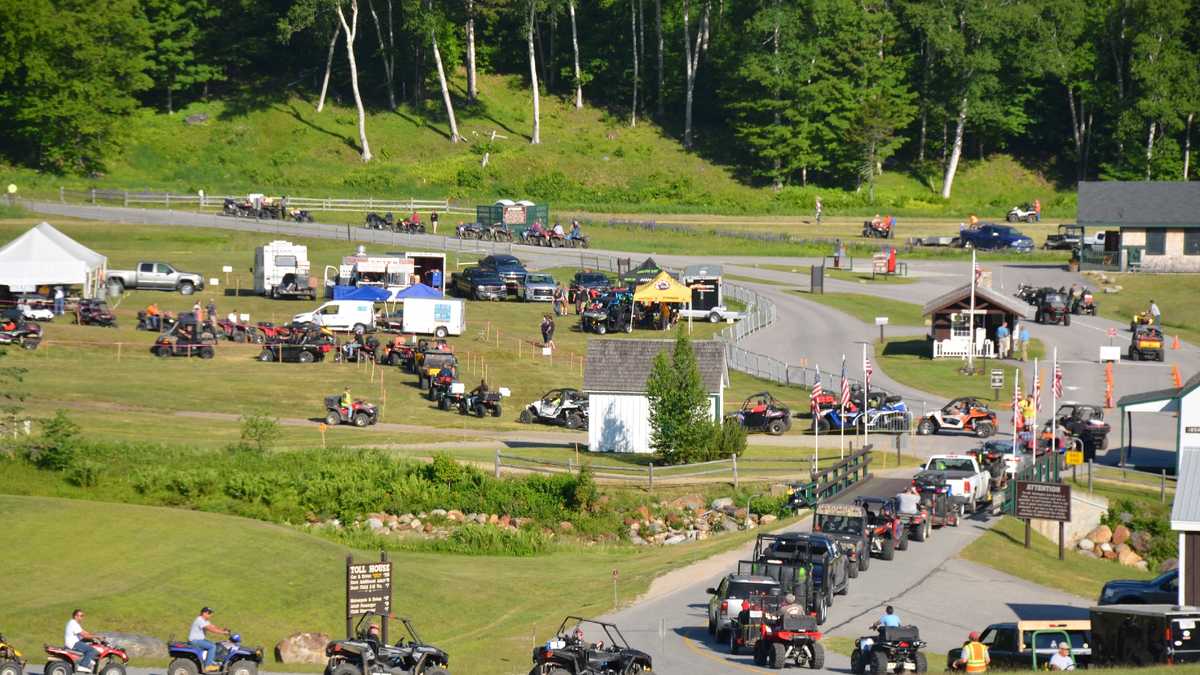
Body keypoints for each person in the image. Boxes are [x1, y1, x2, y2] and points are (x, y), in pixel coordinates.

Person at [189, 607, 231, 672]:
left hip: (199, 640)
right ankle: (208, 666)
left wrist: (222, 629)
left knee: (214, 644)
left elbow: (213, 626)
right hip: (195, 641)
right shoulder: (199, 620)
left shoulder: (205, 620)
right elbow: (211, 629)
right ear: (204, 613)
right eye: (209, 613)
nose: (210, 615)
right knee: (212, 646)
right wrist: (223, 632)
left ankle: (211, 661)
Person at [65, 609, 99, 673]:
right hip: (73, 644)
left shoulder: (73, 622)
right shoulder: (73, 624)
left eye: (82, 616)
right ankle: (83, 666)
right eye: (81, 616)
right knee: (92, 650)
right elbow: (84, 635)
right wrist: (97, 637)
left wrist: (94, 635)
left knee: (89, 644)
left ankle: (87, 660)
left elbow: (84, 632)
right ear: (76, 616)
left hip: (73, 642)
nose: (82, 618)